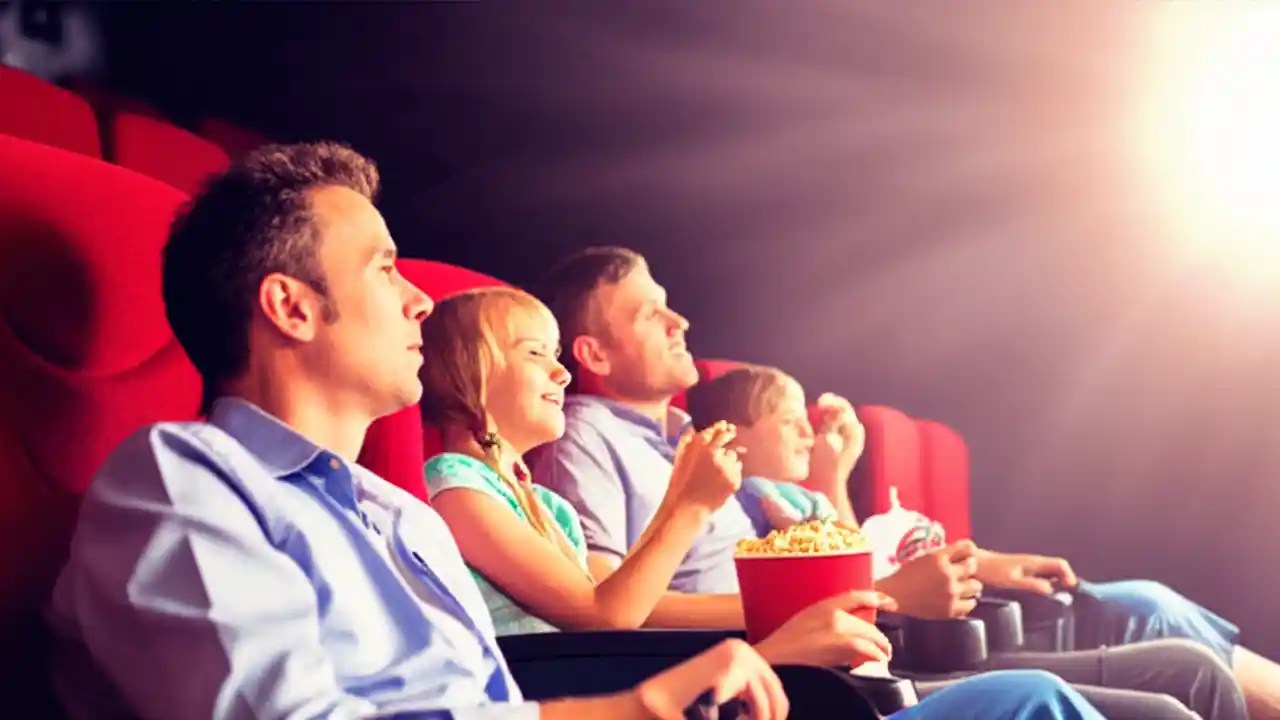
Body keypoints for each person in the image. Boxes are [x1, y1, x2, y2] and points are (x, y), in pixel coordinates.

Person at [43, 142, 1100, 720]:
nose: (418, 301)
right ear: (289, 307)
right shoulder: (180, 482)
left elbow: (498, 706)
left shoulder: (390, 514)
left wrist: (665, 699)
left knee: (1036, 701)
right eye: (381, 269)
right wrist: (649, 702)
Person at [527, 245, 1252, 720]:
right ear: (594, 350)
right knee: (1164, 691)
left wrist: (839, 490)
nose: (678, 318)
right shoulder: (589, 432)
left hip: (850, 645)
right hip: (790, 673)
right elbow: (610, 604)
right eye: (650, 313)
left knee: (1178, 671)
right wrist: (875, 595)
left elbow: (821, 552)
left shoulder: (688, 437)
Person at [417, 284, 1108, 719]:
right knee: (1035, 699)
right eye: (538, 353)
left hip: (677, 681)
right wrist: (689, 509)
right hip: (609, 696)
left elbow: (607, 611)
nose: (561, 369)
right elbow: (606, 619)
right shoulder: (455, 488)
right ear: (470, 372)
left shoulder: (545, 506)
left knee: (1043, 695)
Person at [688, 364, 1280, 720]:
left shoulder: (804, 499)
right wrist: (890, 586)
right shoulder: (747, 504)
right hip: (883, 659)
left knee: (1169, 641)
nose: (806, 431)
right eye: (788, 419)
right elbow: (852, 586)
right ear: (731, 434)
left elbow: (857, 558)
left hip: (915, 637)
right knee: (1165, 662)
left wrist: (834, 480)